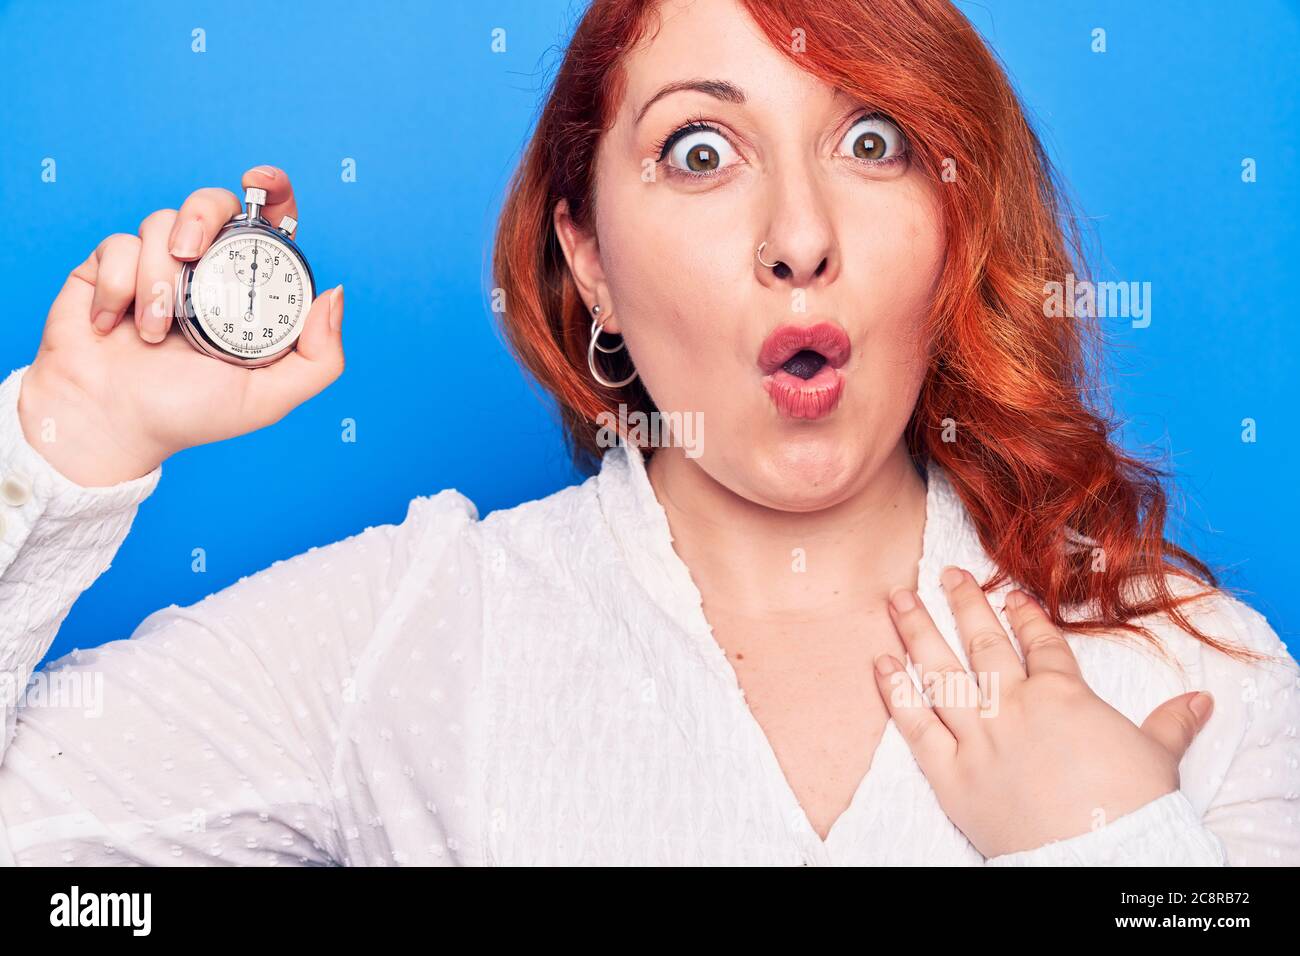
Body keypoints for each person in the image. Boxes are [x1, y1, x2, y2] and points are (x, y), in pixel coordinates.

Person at [1, 0, 1296, 867]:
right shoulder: (423, 630)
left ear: (954, 224)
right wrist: (68, 438)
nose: (801, 238)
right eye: (698, 153)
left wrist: (1113, 844)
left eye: (871, 139)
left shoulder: (1190, 666)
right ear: (591, 262)